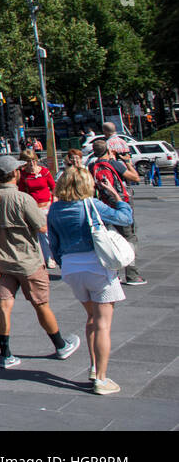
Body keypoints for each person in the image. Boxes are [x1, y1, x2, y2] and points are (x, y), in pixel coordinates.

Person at [0, 156, 80, 369]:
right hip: (27, 260)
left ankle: (5, 354)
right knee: (40, 303)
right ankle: (60, 345)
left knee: (4, 304)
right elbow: (42, 226)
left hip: (0, 261)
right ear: (15, 173)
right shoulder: (23, 199)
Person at [47, 166, 134, 395]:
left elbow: (53, 245)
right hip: (97, 267)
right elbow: (125, 218)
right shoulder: (91, 204)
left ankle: (95, 367)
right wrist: (117, 196)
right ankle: (101, 379)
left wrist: (64, 263)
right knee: (103, 324)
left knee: (92, 318)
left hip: (72, 268)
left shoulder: (55, 209)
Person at [89, 138, 145, 286]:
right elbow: (135, 177)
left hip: (103, 206)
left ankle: (114, 273)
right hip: (120, 203)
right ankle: (132, 275)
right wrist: (126, 161)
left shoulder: (91, 165)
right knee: (129, 237)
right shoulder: (114, 164)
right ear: (108, 150)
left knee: (111, 238)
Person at [17, 148, 58, 269]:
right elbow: (22, 192)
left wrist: (54, 200)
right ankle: (48, 257)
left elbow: (53, 187)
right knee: (42, 234)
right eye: (28, 161)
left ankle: (55, 255)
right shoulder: (23, 175)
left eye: (33, 160)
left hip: (49, 205)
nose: (31, 163)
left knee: (52, 232)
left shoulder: (44, 171)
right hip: (35, 208)